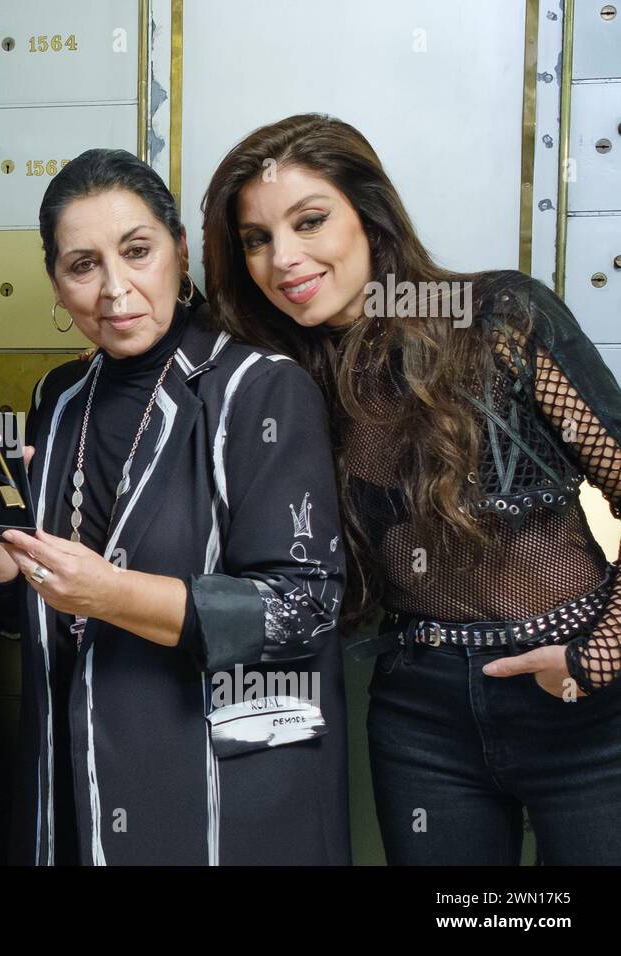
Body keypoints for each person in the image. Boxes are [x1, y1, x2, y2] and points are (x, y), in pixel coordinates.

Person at [201, 112, 621, 865]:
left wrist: (597, 659)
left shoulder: (498, 318)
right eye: (257, 239)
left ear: (371, 216)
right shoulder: (283, 386)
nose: (283, 258)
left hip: (581, 703)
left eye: (310, 221)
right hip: (420, 718)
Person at [0, 148, 350, 865]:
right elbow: (27, 615)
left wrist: (112, 594)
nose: (115, 289)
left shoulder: (260, 388)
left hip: (217, 783)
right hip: (73, 766)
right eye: (83, 266)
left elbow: (304, 607)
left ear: (180, 251)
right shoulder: (58, 398)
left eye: (137, 252)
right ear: (56, 282)